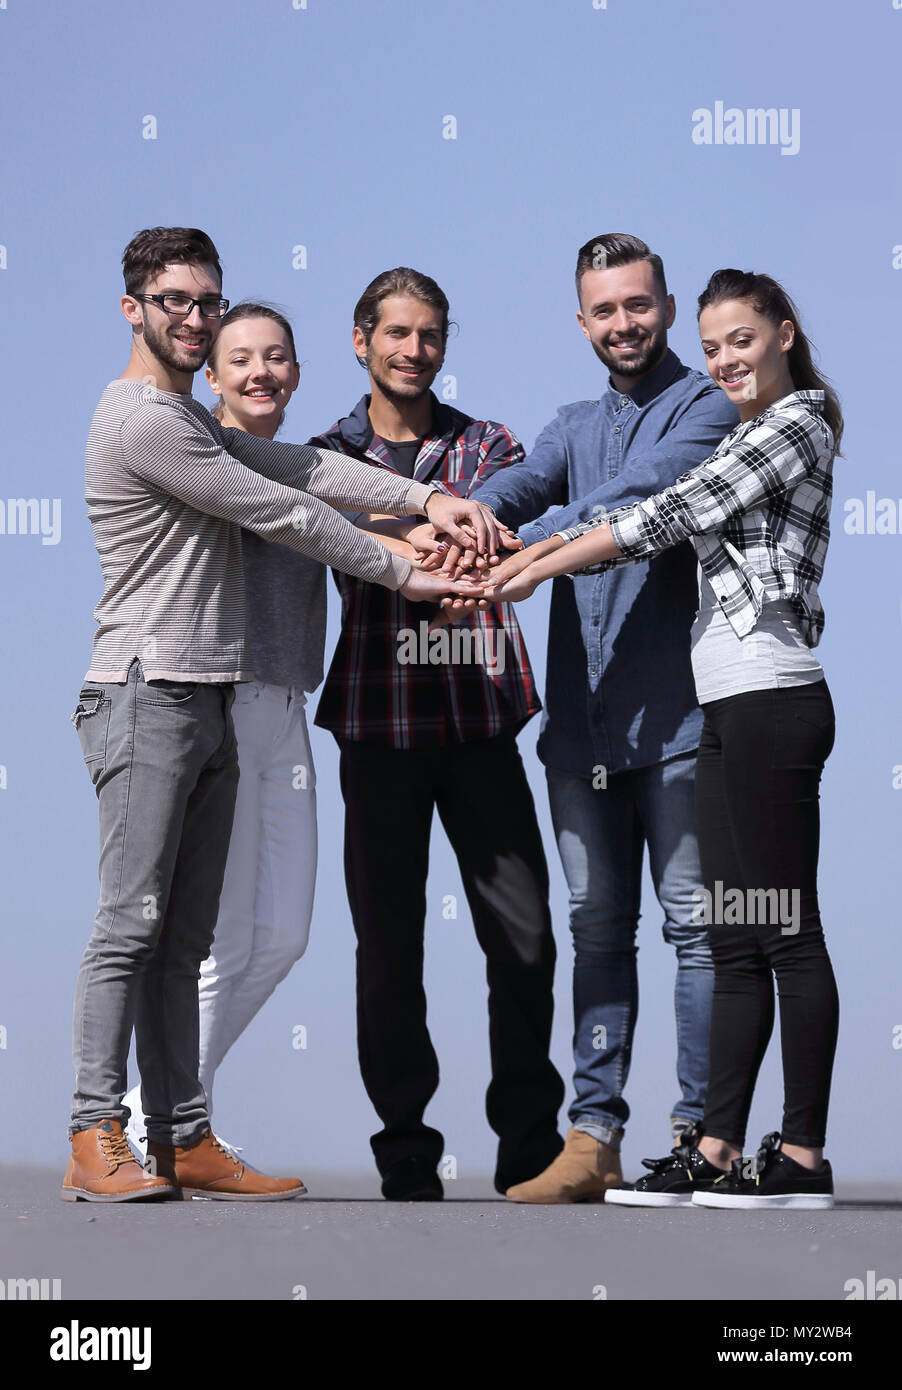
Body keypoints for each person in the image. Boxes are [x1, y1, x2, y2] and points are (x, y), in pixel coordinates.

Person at [64, 228, 490, 1203]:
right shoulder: (143, 422)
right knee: (129, 924)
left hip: (206, 696)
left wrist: (428, 494)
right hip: (143, 692)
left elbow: (310, 470)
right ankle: (95, 1130)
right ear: (133, 309)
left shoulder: (193, 420)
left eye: (207, 300)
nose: (195, 317)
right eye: (175, 300)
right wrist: (407, 567)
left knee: (184, 938)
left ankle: (179, 1136)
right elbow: (282, 511)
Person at [483, 268, 841, 1209]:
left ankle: (795, 1153)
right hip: (720, 706)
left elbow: (662, 508)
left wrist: (530, 564)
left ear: (785, 335)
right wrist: (471, 522)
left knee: (777, 932)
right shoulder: (599, 422)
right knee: (728, 936)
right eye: (719, 345)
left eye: (743, 340)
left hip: (760, 702)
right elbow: (541, 488)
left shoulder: (781, 422)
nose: (728, 357)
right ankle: (711, 1149)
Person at [431, 234, 738, 1203]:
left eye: (636, 305)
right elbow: (521, 482)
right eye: (602, 311)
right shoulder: (567, 421)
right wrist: (471, 520)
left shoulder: (708, 409)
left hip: (680, 724)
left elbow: (634, 498)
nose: (622, 325)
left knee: (692, 928)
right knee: (596, 928)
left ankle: (698, 1135)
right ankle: (593, 1136)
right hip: (578, 730)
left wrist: (517, 550)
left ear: (665, 303)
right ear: (579, 321)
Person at [308, 267, 565, 1201]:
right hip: (377, 726)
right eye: (398, 333)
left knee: (526, 941)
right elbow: (323, 516)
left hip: (479, 719)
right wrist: (410, 530)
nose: (414, 350)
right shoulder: (325, 450)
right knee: (389, 945)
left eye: (430, 335)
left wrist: (405, 538)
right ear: (361, 339)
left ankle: (529, 1146)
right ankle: (407, 1145)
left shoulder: (488, 442)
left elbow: (492, 527)